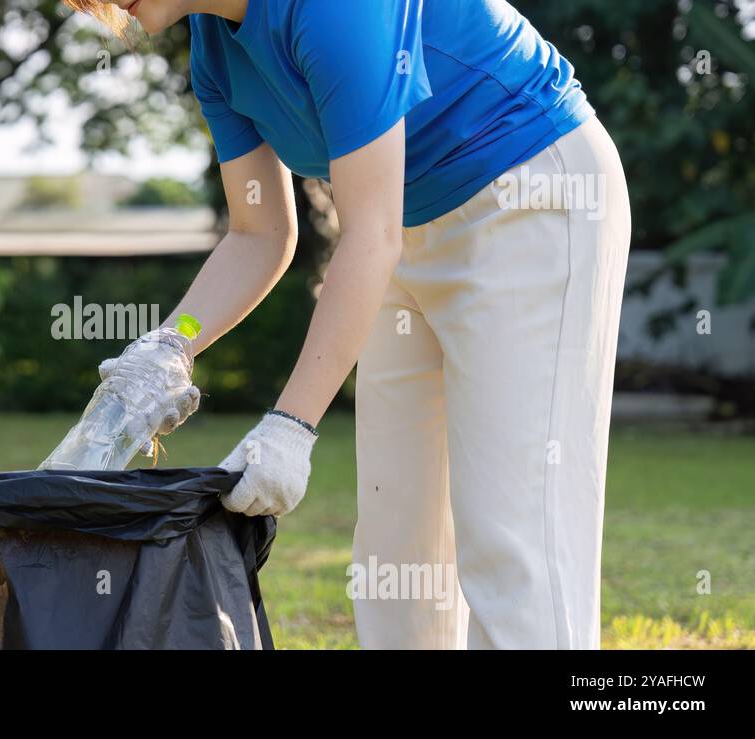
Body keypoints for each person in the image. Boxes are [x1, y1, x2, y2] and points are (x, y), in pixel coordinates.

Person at [67, 0, 631, 649]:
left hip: (529, 197)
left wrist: (290, 425)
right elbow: (260, 232)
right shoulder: (215, 49)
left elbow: (370, 230)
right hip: (398, 226)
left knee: (514, 535)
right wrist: (173, 340)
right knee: (396, 555)